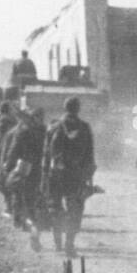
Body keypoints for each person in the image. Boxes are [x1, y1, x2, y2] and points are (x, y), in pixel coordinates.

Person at [43, 97, 97, 255]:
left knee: (55, 206)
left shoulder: (53, 127)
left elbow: (46, 155)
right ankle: (69, 244)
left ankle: (57, 241)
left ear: (65, 108)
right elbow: (90, 156)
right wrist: (88, 177)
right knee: (75, 208)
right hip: (76, 175)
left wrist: (44, 176)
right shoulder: (85, 128)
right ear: (78, 109)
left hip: (56, 175)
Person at [0, 109, 46, 251]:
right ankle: (33, 228)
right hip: (40, 171)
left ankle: (26, 224)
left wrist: (7, 166)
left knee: (21, 196)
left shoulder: (22, 132)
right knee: (35, 202)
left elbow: (13, 151)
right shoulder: (44, 130)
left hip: (24, 169)